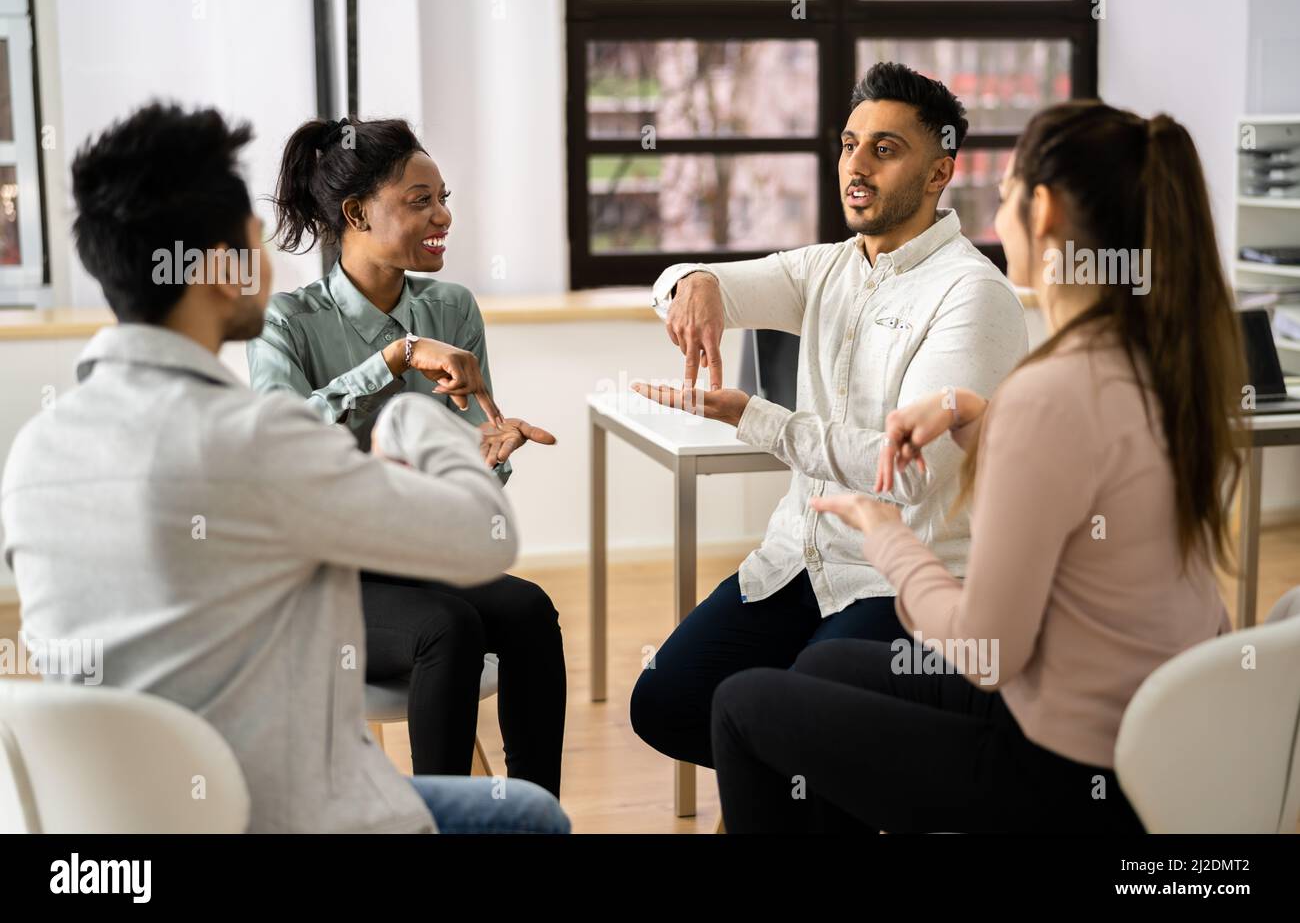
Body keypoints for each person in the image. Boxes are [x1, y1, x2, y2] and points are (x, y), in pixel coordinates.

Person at [0, 102, 568, 834]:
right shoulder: (257, 432)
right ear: (224, 267)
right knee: (524, 816)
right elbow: (483, 533)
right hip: (286, 814)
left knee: (512, 616)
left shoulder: (33, 452)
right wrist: (409, 412)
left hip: (116, 826)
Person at [712, 101, 1243, 833]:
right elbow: (1088, 458)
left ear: (1044, 208)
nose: (995, 209)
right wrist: (975, 413)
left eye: (1005, 192)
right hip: (1155, 726)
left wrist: (884, 536)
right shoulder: (1166, 367)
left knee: (741, 705)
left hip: (1063, 768)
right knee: (823, 673)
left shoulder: (1046, 389)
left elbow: (985, 651)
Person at [628, 62, 1028, 771]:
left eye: (884, 148)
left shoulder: (974, 294)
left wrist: (758, 419)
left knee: (800, 718)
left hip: (901, 580)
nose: (856, 165)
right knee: (663, 699)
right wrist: (692, 283)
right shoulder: (826, 269)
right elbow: (672, 286)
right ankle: (818, 787)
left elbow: (905, 476)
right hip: (797, 564)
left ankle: (822, 784)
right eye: (849, 144)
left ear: (939, 173)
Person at [247, 116, 565, 797]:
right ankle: (446, 821)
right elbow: (282, 447)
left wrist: (490, 455)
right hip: (321, 575)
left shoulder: (452, 308)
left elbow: (473, 461)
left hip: (419, 554)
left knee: (531, 612)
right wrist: (395, 357)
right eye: (420, 201)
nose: (443, 215)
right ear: (357, 212)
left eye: (442, 197)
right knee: (446, 629)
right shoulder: (287, 323)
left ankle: (534, 815)